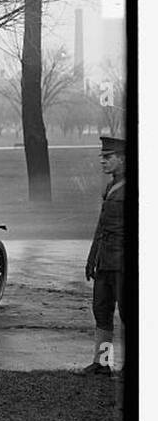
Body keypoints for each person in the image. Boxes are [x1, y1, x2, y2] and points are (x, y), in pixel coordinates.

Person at [85, 135, 126, 375]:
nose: (103, 161)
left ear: (122, 159)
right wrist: (92, 260)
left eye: (108, 157)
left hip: (122, 264)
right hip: (105, 263)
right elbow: (101, 228)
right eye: (103, 157)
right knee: (101, 312)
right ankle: (102, 363)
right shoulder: (111, 186)